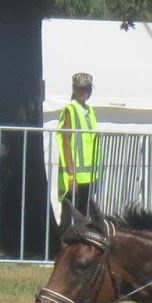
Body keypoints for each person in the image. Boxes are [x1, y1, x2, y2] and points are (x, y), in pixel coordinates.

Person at [57, 71, 99, 214]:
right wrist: (71, 175)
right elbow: (66, 143)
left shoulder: (90, 111)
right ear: (74, 89)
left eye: (88, 88)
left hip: (88, 176)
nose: (86, 92)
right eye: (82, 88)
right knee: (71, 219)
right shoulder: (70, 109)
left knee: (85, 217)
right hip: (74, 176)